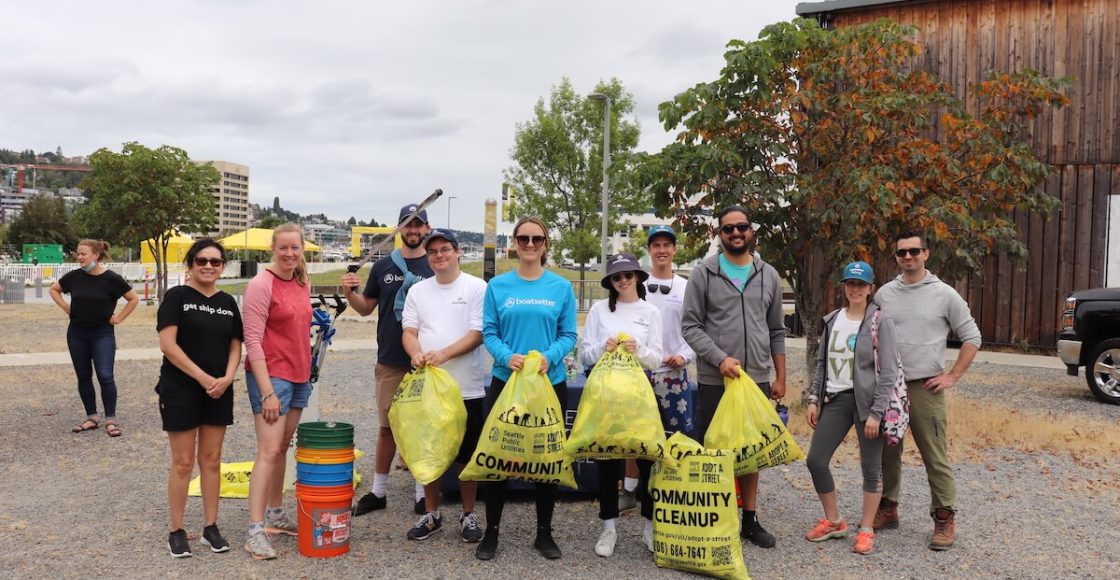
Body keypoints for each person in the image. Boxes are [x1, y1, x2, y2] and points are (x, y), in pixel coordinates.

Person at [681, 205, 787, 548]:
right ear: (719, 234)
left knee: (750, 450)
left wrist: (780, 376)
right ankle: (715, 519)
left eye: (742, 226)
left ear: (751, 230)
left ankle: (749, 520)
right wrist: (719, 359)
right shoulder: (704, 273)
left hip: (754, 379)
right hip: (716, 379)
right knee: (714, 449)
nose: (736, 233)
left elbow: (776, 330)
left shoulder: (768, 274)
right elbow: (690, 326)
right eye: (728, 228)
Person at [477, 216, 578, 561]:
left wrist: (550, 357)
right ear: (514, 244)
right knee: (499, 457)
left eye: (537, 239)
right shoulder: (498, 286)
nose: (530, 244)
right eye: (523, 239)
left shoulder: (560, 287)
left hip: (549, 384)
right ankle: (491, 531)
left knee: (545, 460)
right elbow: (489, 332)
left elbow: (569, 335)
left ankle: (544, 533)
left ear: (546, 244)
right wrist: (507, 356)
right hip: (507, 382)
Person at [874, 231, 982, 551]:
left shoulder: (944, 294)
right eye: (901, 252)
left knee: (934, 455)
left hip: (926, 386)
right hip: (890, 386)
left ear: (926, 254)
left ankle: (944, 517)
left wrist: (953, 375)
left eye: (914, 251)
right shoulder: (884, 294)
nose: (908, 257)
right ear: (896, 257)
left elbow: (972, 336)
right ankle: (888, 508)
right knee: (887, 452)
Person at [344, 204, 434, 517]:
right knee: (387, 428)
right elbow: (365, 308)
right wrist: (349, 293)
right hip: (390, 359)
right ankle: (378, 491)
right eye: (407, 224)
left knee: (422, 427)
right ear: (399, 229)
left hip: (426, 360)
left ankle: (422, 493)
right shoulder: (383, 266)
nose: (413, 230)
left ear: (426, 228)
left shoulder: (435, 262)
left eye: (418, 224)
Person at [803, 261, 899, 555]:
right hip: (836, 399)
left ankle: (867, 529)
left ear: (871, 289)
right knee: (816, 460)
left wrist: (876, 413)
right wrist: (813, 398)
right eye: (850, 283)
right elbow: (822, 363)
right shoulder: (833, 319)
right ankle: (834, 521)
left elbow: (888, 372)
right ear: (843, 287)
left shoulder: (880, 321)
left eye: (861, 284)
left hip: (867, 404)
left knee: (871, 467)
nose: (855, 289)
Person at [399, 229, 488, 544]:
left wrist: (444, 354)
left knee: (466, 455)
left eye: (445, 249)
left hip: (467, 388)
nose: (439, 256)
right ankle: (432, 513)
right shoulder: (418, 291)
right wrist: (415, 353)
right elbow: (409, 331)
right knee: (430, 452)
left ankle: (468, 513)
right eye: (433, 251)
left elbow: (478, 333)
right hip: (429, 390)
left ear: (458, 251)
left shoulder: (477, 287)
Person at [156, 239, 243, 558]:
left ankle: (210, 526)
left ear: (222, 266)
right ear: (191, 264)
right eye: (202, 261)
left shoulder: (228, 302)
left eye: (215, 262)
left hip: (219, 389)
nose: (208, 266)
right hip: (181, 387)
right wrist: (203, 377)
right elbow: (168, 345)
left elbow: (236, 344)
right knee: (182, 462)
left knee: (212, 459)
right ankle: (177, 530)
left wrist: (228, 377)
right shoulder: (177, 297)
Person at [578, 252, 663, 558]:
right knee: (607, 461)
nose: (623, 280)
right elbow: (584, 354)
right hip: (607, 397)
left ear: (638, 277)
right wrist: (603, 347)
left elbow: (656, 359)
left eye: (628, 275)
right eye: (617, 277)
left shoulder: (651, 312)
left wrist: (638, 349)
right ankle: (608, 528)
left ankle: (649, 528)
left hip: (639, 397)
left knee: (647, 460)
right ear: (610, 281)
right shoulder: (599, 310)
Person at [242, 224, 313, 560]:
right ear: (272, 248)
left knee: (283, 446)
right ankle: (255, 531)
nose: (289, 253)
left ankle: (274, 513)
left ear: (302, 249)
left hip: (299, 375)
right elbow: (252, 340)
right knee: (269, 451)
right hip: (271, 377)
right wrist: (267, 391)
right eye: (283, 248)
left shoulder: (301, 281)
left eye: (294, 248)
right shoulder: (261, 284)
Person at [50, 239, 139, 437]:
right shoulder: (74, 277)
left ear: (96, 255)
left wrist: (118, 318)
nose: (79, 257)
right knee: (83, 376)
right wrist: (66, 308)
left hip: (102, 334)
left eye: (83, 254)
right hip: (77, 333)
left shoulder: (112, 279)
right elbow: (54, 289)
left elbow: (133, 298)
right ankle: (92, 417)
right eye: (78, 254)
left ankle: (111, 420)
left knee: (105, 375)